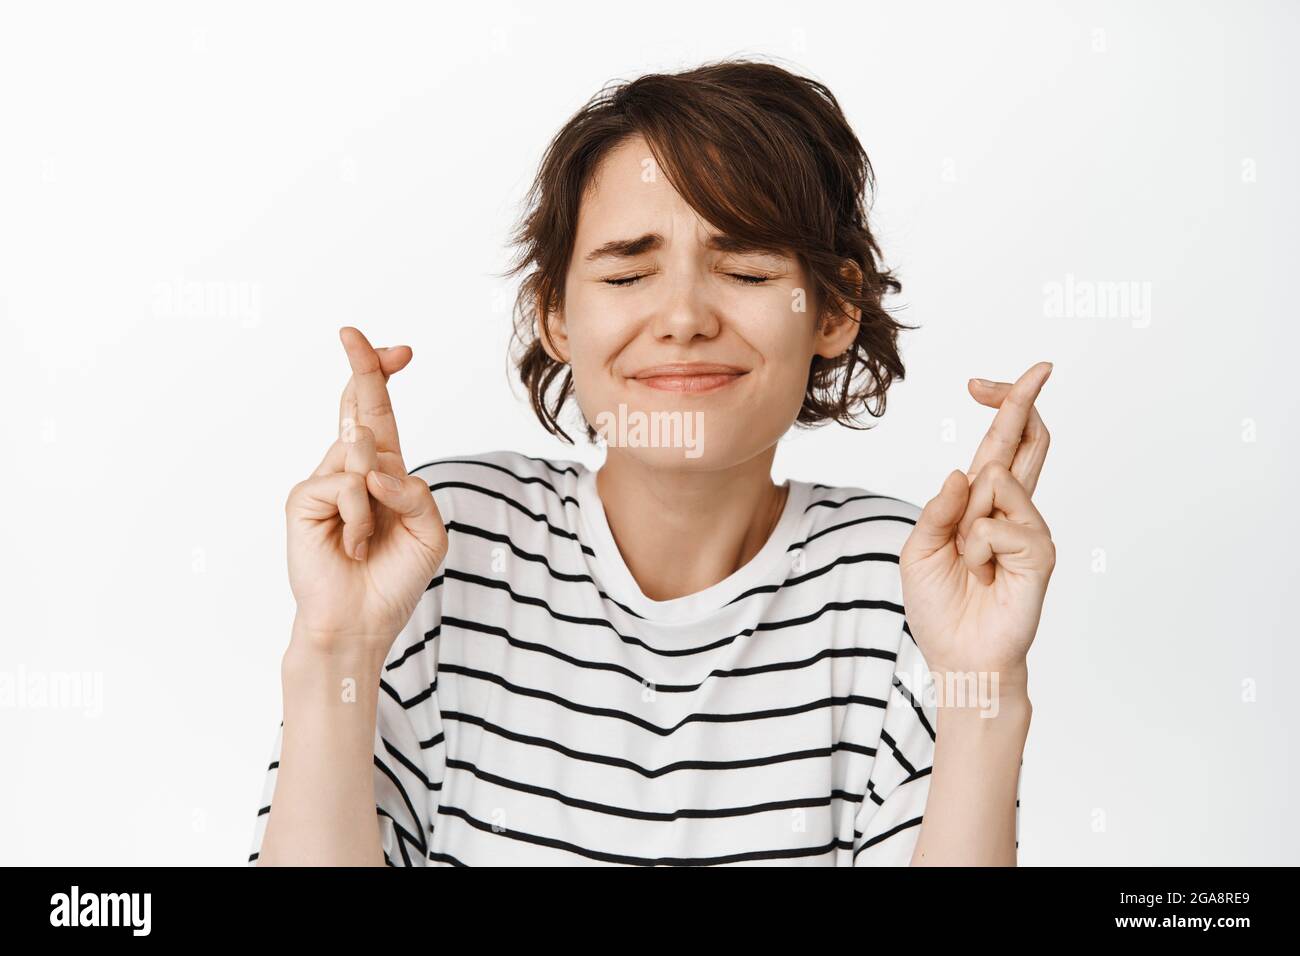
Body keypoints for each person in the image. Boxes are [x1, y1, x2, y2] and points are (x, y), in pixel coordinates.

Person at [249, 59, 1055, 866]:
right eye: (629, 274)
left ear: (835, 310)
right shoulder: (440, 546)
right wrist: (336, 645)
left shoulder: (907, 583)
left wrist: (984, 683)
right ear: (555, 316)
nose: (681, 318)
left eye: (745, 271)